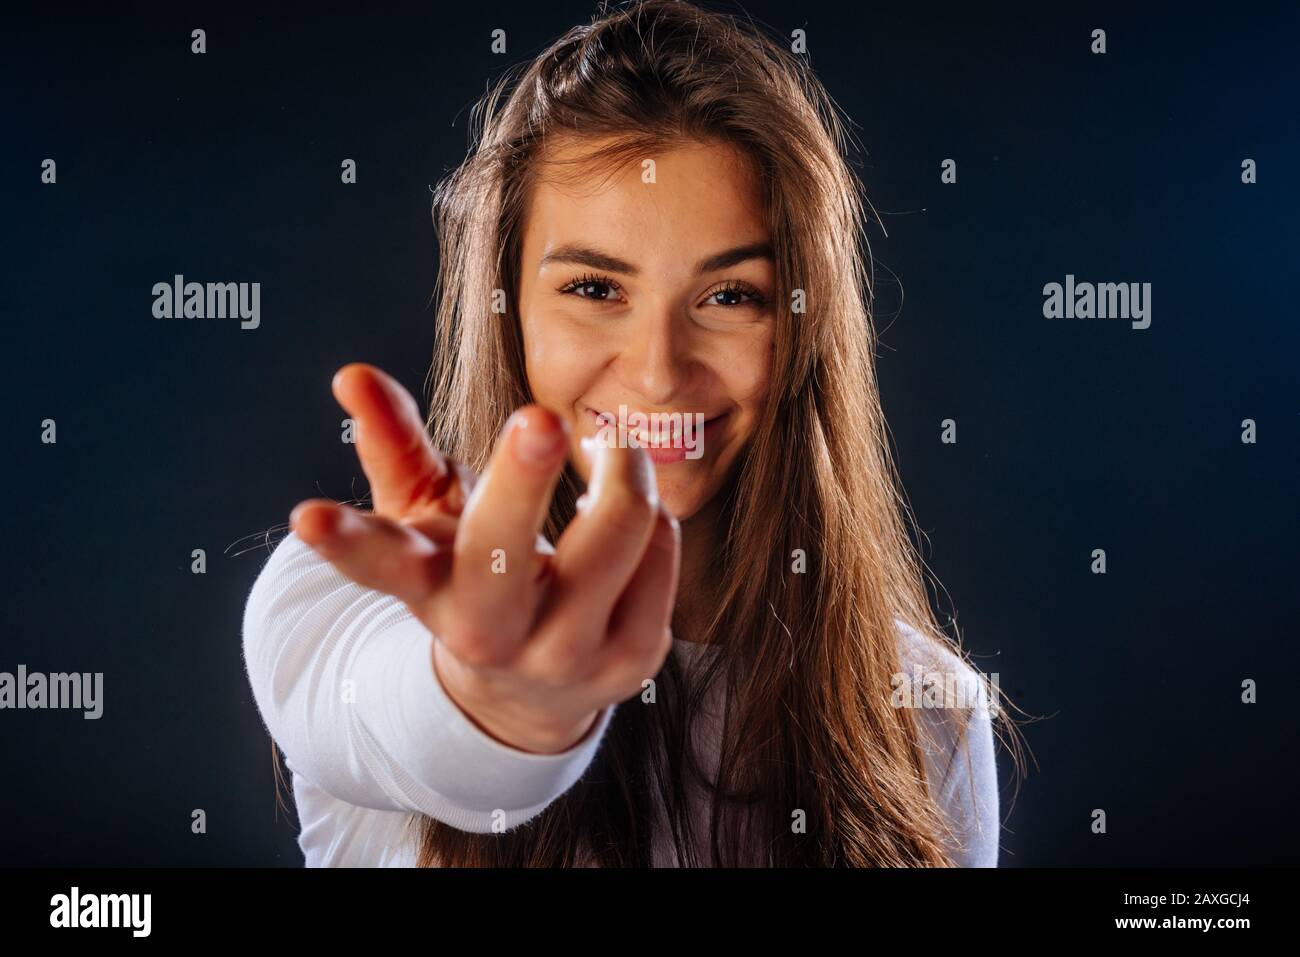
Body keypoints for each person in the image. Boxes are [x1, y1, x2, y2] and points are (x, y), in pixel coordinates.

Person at [242, 0, 1006, 867]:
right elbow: (414, 714)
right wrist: (504, 699)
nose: (657, 371)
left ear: (802, 324)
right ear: (510, 311)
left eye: (730, 296)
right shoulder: (345, 594)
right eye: (595, 289)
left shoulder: (928, 708)